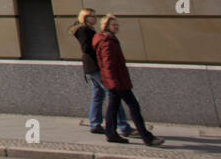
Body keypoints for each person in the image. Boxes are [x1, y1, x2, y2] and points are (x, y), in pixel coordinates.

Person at [93, 14, 164, 147]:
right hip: (118, 81)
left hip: (115, 80)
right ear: (106, 26)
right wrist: (114, 82)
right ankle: (147, 137)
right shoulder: (108, 42)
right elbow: (108, 64)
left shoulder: (108, 39)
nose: (116, 27)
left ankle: (111, 134)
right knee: (134, 106)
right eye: (113, 24)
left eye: (117, 24)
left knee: (113, 108)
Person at [70, 8, 132, 137]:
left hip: (91, 67)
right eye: (92, 16)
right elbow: (86, 48)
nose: (95, 18)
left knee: (98, 95)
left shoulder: (89, 30)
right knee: (113, 93)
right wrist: (99, 48)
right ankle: (123, 126)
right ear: (85, 17)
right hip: (94, 67)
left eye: (95, 15)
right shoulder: (84, 30)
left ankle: (95, 123)